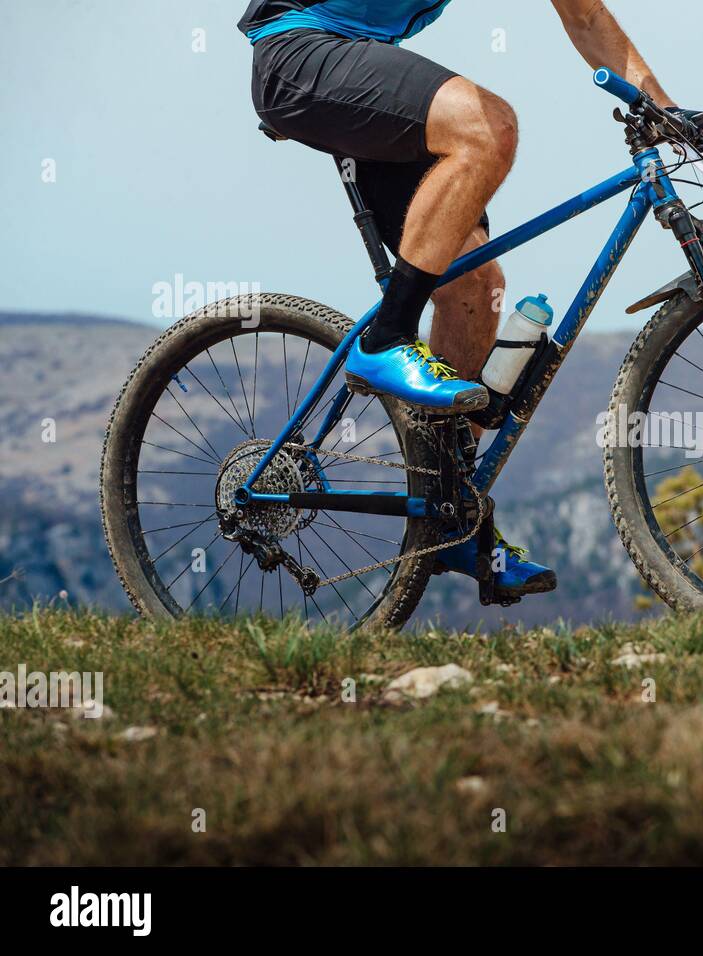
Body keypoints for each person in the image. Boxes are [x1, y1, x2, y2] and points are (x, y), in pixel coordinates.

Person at [238, 0, 678, 599]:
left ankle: (452, 516)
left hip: (359, 59)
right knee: (488, 126)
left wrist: (667, 112)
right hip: (301, 54)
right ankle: (386, 336)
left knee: (476, 285)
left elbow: (586, 16)